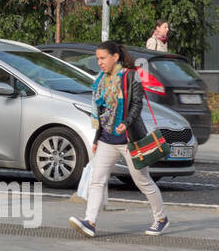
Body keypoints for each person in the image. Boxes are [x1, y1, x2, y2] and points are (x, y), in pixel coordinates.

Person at [70, 40, 170, 238]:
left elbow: (136, 104)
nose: (99, 62)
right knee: (97, 181)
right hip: (108, 139)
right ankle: (89, 222)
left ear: (115, 57)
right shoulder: (100, 80)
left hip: (130, 139)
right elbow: (101, 113)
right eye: (97, 58)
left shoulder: (131, 76)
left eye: (103, 58)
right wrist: (97, 138)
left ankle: (161, 219)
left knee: (143, 181)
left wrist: (126, 121)